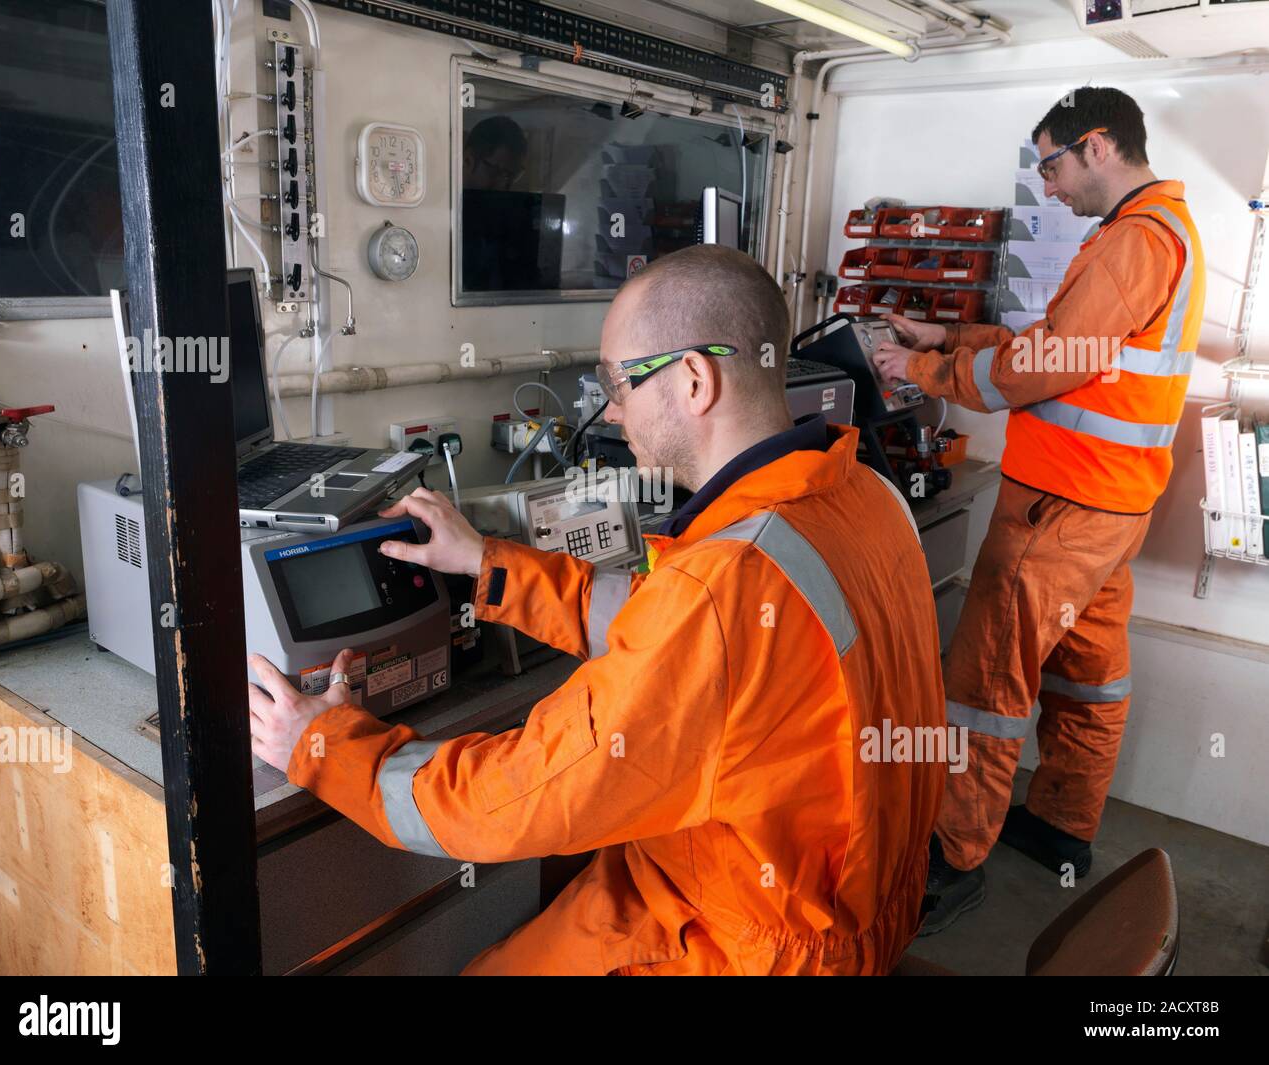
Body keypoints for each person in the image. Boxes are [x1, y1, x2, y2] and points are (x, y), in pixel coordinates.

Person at [249, 244, 946, 975]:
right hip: (858, 902)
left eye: (618, 383)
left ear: (694, 379)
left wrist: (323, 744)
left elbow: (507, 800)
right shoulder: (865, 494)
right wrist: (491, 565)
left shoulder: (723, 587)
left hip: (748, 944)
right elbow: (659, 622)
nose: (611, 411)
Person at [872, 86, 1205, 933]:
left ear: (1097, 145)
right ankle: (1061, 826)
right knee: (1088, 676)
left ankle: (952, 856)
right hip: (1111, 508)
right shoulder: (1165, 234)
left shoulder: (1134, 243)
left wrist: (920, 375)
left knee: (987, 679)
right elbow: (1060, 349)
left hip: (1055, 507)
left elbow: (1039, 368)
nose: (1048, 186)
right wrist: (947, 339)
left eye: (1052, 165)